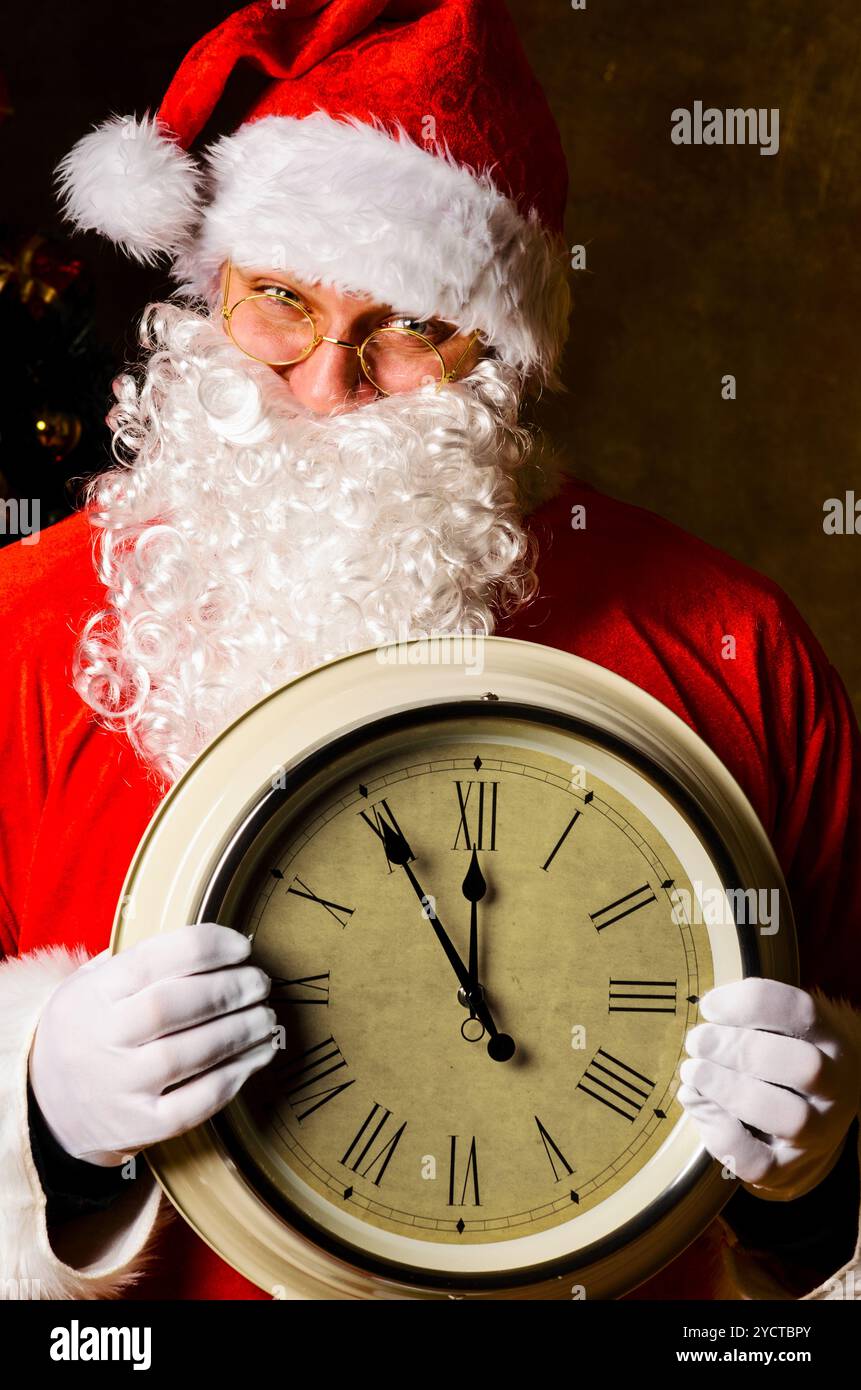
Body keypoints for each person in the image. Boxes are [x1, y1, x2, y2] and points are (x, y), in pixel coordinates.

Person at [0, 0, 859, 1303]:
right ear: (210, 288)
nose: (327, 382)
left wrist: (823, 1177)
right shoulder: (19, 625)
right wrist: (40, 1121)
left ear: (503, 354)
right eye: (278, 302)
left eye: (404, 326)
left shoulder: (732, 649)